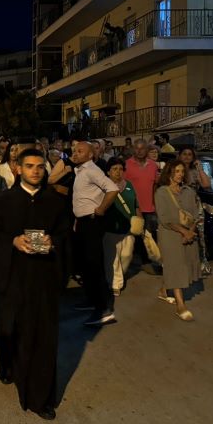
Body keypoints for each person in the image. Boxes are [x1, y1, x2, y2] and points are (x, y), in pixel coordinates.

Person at [0, 149, 69, 420]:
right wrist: (12, 242)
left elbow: (66, 235)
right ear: (18, 169)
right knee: (13, 330)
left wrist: (54, 242)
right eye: (29, 166)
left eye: (40, 167)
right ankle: (9, 367)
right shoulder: (3, 200)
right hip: (13, 277)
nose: (35, 171)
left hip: (43, 280)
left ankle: (40, 398)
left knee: (44, 337)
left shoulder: (55, 200)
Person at [71, 141, 119, 326]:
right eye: (75, 150)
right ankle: (92, 300)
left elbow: (112, 189)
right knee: (86, 265)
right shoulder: (81, 171)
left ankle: (104, 309)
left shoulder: (92, 170)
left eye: (80, 151)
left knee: (94, 265)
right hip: (83, 222)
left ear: (90, 155)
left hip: (92, 222)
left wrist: (101, 209)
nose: (76, 153)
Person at [154, 160, 201, 321]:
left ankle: (163, 289)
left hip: (188, 233)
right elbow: (164, 218)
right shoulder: (161, 192)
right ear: (169, 173)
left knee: (185, 262)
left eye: (182, 171)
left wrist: (190, 231)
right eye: (177, 171)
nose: (180, 174)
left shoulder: (188, 191)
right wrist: (183, 231)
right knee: (176, 265)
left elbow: (195, 214)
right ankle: (180, 305)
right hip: (170, 234)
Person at [103, 157, 140, 297]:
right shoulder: (103, 187)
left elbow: (136, 205)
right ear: (108, 172)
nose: (118, 172)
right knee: (112, 258)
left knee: (127, 255)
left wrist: (139, 220)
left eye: (120, 169)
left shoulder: (129, 185)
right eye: (114, 169)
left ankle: (117, 277)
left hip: (129, 228)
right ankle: (115, 284)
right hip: (110, 228)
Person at [125, 139, 161, 275]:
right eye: (137, 148)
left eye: (142, 148)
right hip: (133, 208)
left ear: (147, 150)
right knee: (134, 237)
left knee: (149, 237)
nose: (139, 151)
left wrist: (155, 204)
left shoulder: (153, 165)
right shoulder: (127, 165)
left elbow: (154, 186)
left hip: (150, 208)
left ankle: (148, 262)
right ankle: (142, 263)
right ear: (133, 149)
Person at [179, 147, 212, 276]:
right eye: (184, 154)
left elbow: (206, 184)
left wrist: (200, 168)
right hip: (179, 204)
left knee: (199, 234)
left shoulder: (195, 171)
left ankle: (200, 265)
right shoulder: (175, 170)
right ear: (180, 156)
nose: (187, 157)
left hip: (194, 204)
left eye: (189, 154)